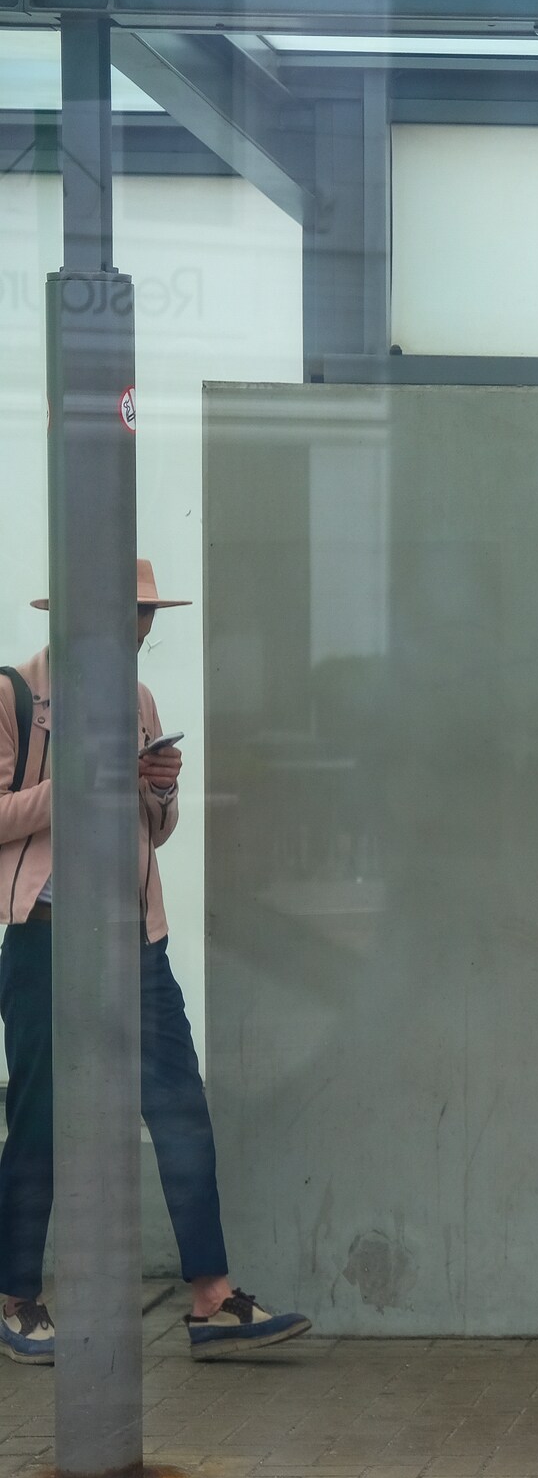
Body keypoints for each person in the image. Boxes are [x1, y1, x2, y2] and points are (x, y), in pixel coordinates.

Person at [0, 560, 310, 1365]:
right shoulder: (15, 695)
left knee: (179, 1105)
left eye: (146, 622)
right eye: (130, 620)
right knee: (38, 1115)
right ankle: (16, 1297)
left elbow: (154, 830)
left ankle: (212, 1297)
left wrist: (162, 788)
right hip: (46, 935)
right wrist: (79, 780)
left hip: (135, 937)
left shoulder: (138, 701)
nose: (139, 635)